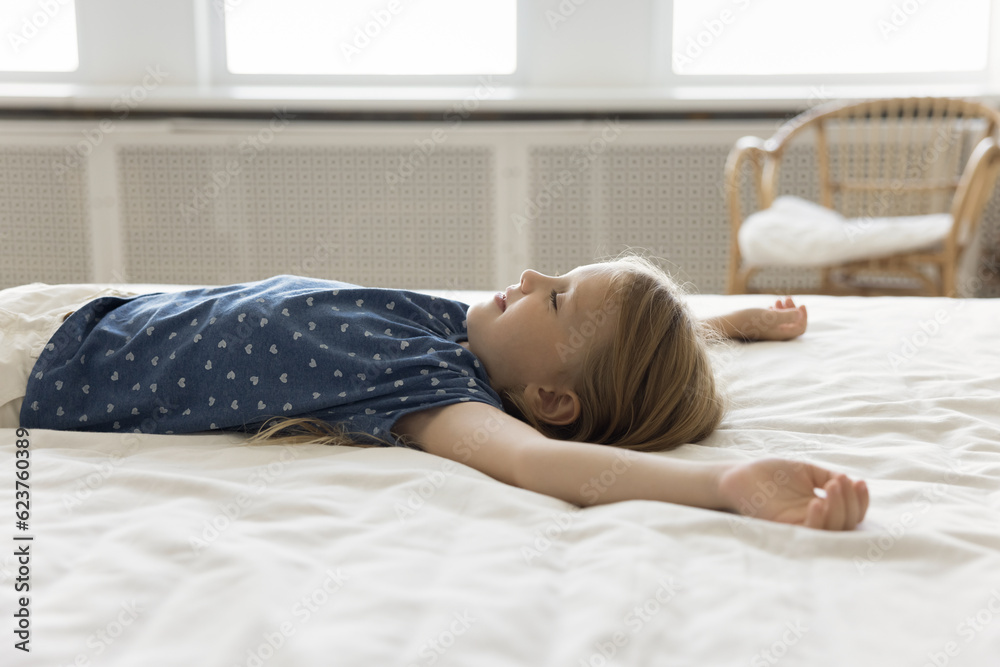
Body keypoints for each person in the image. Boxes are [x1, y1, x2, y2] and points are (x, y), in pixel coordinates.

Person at [2, 252, 867, 531]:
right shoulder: (464, 333)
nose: (533, 275)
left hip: (47, 367)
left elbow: (536, 464)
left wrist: (724, 483)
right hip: (94, 310)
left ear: (551, 399)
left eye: (556, 297)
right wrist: (727, 323)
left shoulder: (436, 390)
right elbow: (615, 351)